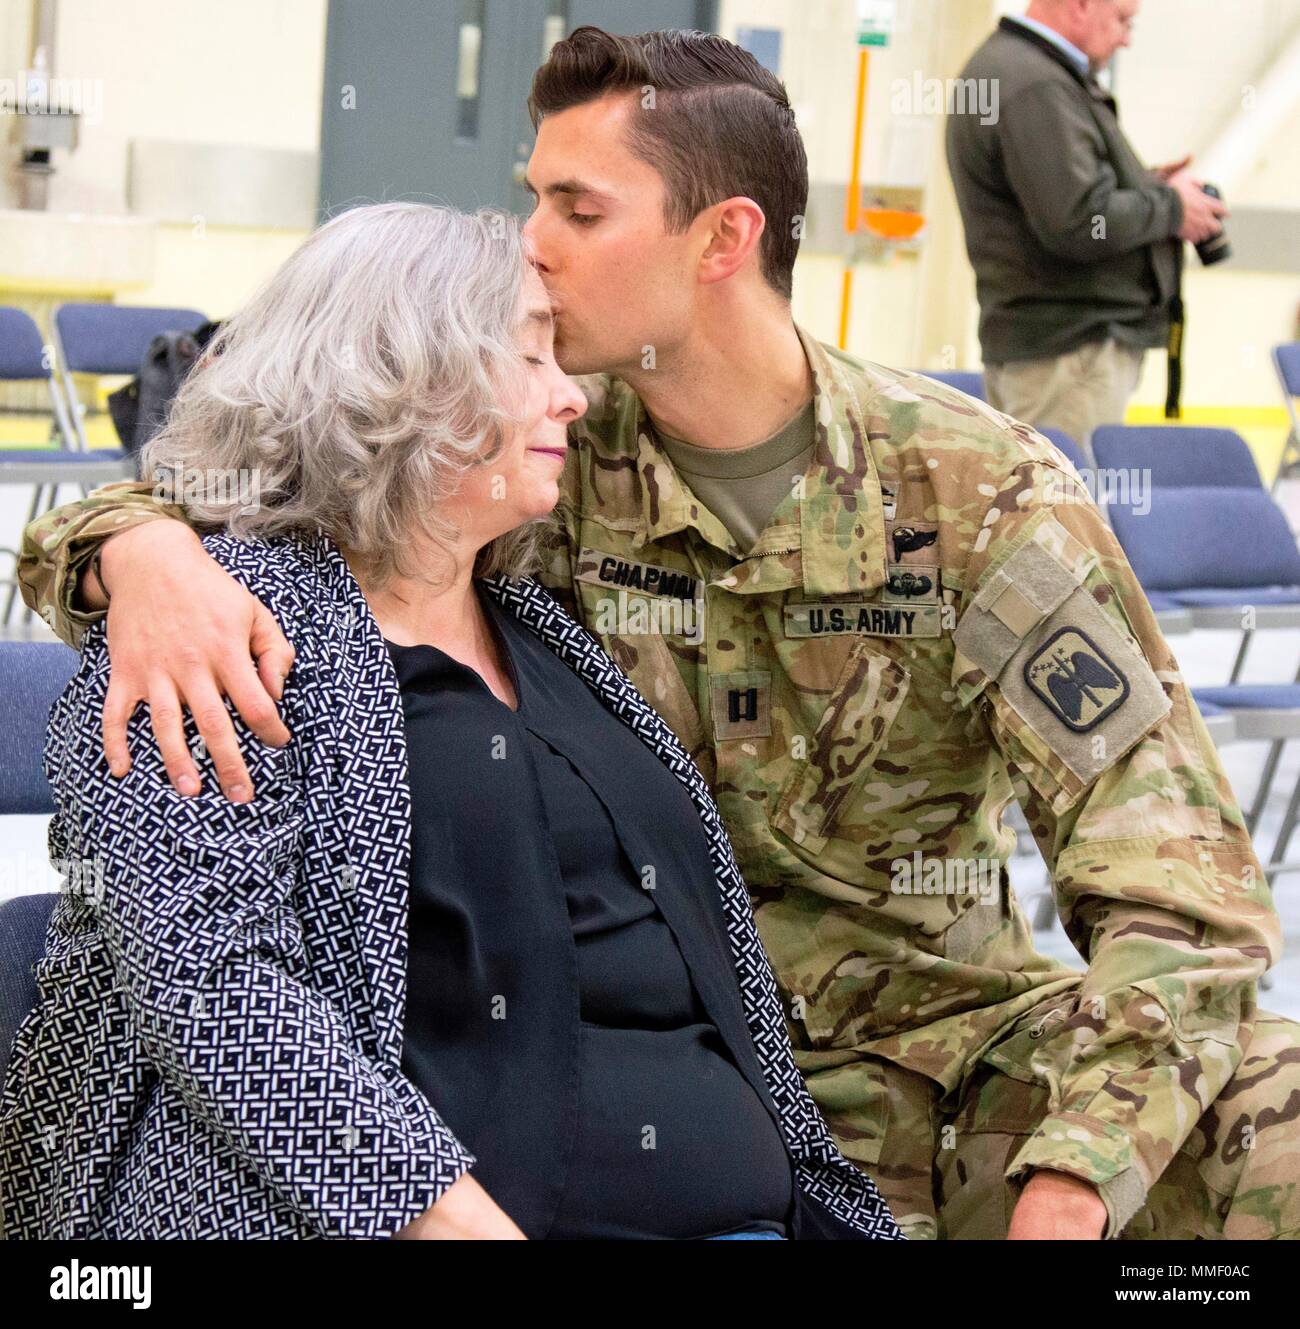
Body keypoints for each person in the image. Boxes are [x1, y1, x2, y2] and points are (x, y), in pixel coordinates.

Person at [17, 28, 1299, 1241]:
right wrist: (139, 556)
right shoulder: (519, 458)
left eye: (578, 211)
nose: (531, 247)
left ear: (722, 238)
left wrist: (1073, 1182)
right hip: (621, 1046)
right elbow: (271, 463)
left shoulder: (971, 492)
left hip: (946, 1066)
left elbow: (1180, 893)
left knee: (1272, 1118)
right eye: (532, 200)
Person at [0, 201, 900, 1242]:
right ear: (398, 379)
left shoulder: (543, 626)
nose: (571, 396)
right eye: (530, 356)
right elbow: (214, 990)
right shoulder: (216, 630)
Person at [946, 0, 1229, 446]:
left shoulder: (1017, 70)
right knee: (1063, 511)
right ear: (1081, 5)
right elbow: (1078, 222)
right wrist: (1171, 209)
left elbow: (1057, 198)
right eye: (1121, 19)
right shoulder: (1036, 84)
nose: (1126, 38)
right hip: (1068, 354)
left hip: (1050, 349)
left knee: (1038, 506)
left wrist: (1147, 188)